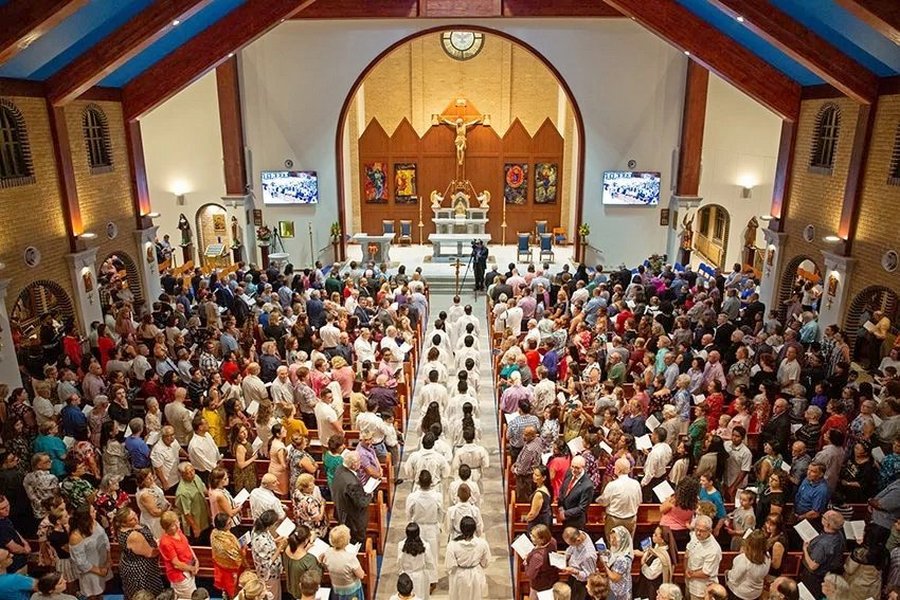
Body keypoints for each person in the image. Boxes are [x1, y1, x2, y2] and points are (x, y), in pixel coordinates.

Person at [114, 507, 165, 599]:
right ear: (124, 523)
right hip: (141, 569)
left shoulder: (135, 526)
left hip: (137, 562)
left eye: (135, 515)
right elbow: (150, 553)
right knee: (145, 594)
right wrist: (163, 546)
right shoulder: (134, 536)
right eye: (131, 519)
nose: (136, 519)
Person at [68, 505, 110, 600]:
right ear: (85, 517)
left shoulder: (94, 523)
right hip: (90, 571)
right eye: (92, 511)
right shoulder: (76, 536)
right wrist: (99, 571)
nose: (95, 511)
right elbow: (81, 562)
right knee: (93, 595)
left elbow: (105, 539)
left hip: (102, 564)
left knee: (101, 591)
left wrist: (108, 559)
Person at [800, 510, 846, 598]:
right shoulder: (839, 534)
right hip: (828, 572)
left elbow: (812, 566)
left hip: (814, 578)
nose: (822, 516)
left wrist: (805, 549)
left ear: (827, 524)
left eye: (824, 517)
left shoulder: (823, 544)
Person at [331, 451, 373, 545]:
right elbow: (361, 502)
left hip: (341, 509)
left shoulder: (340, 468)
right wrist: (370, 495)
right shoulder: (352, 483)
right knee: (357, 540)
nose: (360, 463)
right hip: (352, 518)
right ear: (354, 465)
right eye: (359, 461)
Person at [445, 516, 491, 600]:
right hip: (476, 574)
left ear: (461, 529)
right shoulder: (482, 543)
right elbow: (486, 562)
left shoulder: (452, 545)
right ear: (474, 529)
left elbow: (449, 565)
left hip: (459, 576)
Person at [158, 510, 199, 599]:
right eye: (173, 525)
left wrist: (196, 560)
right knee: (189, 597)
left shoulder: (178, 531)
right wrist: (192, 568)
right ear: (166, 527)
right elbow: (176, 564)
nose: (177, 525)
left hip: (189, 569)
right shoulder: (166, 542)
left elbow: (187, 545)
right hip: (181, 576)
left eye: (177, 522)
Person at [598, 457, 641, 539]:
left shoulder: (612, 485)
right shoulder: (636, 484)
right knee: (627, 544)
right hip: (631, 519)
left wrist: (598, 500)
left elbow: (604, 502)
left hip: (615, 520)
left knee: (614, 545)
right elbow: (639, 501)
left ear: (618, 470)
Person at [250, 509, 288, 600]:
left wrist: (277, 540)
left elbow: (269, 543)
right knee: (273, 595)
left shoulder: (259, 529)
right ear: (270, 525)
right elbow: (268, 562)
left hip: (270, 569)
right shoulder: (261, 540)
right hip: (269, 573)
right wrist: (280, 547)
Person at [322, 525, 366, 600]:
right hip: (351, 592)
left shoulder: (328, 552)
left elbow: (325, 565)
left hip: (336, 589)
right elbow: (361, 575)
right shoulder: (350, 558)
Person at [684, 515, 722, 600]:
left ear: (710, 531)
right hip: (689, 582)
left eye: (702, 531)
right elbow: (688, 552)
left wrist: (690, 574)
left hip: (701, 590)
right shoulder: (695, 535)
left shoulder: (714, 550)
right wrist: (686, 569)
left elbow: (706, 572)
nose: (698, 533)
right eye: (696, 529)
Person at [725, 530, 770, 600]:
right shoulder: (767, 556)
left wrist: (727, 573)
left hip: (740, 594)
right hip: (756, 593)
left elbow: (733, 579)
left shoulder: (744, 559)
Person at [397, 523, 437, 600]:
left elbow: (399, 562)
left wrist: (401, 573)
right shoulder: (425, 545)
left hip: (406, 577)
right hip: (420, 576)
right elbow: (430, 563)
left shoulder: (401, 545)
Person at [633, 526, 673, 599]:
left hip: (652, 588)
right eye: (654, 533)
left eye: (656, 534)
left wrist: (643, 562)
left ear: (662, 540)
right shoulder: (658, 546)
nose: (653, 535)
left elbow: (651, 574)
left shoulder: (662, 556)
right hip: (645, 584)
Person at [284, 525, 323, 600]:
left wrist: (306, 548)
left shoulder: (288, 548)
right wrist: (320, 563)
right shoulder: (309, 559)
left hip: (291, 586)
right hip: (303, 593)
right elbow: (314, 578)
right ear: (306, 540)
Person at [210, 513, 243, 600]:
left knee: (226, 590)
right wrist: (243, 551)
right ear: (223, 526)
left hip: (221, 566)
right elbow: (237, 557)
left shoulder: (215, 532)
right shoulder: (225, 542)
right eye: (229, 523)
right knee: (233, 592)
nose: (231, 523)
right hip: (229, 570)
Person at [557, 456, 595, 529]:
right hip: (564, 516)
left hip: (575, 521)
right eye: (572, 466)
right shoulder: (569, 472)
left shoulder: (587, 485)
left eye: (577, 468)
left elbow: (582, 508)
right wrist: (560, 507)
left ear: (583, 467)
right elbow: (562, 490)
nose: (574, 470)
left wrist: (565, 513)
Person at [523, 524, 559, 600]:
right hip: (551, 579)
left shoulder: (538, 557)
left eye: (533, 536)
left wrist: (526, 563)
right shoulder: (552, 541)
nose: (530, 537)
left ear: (542, 540)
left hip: (539, 585)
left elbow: (530, 574)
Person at [561, 527, 597, 600]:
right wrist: (564, 557)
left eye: (572, 544)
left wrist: (575, 572)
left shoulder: (589, 555)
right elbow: (571, 548)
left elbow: (589, 576)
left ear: (578, 540)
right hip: (573, 576)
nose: (571, 546)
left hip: (582, 583)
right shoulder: (580, 533)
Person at [602, 526, 634, 600]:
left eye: (615, 538)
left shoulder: (622, 559)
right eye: (611, 538)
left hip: (619, 593)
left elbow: (615, 578)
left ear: (622, 540)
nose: (612, 541)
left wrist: (605, 565)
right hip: (615, 589)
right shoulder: (620, 552)